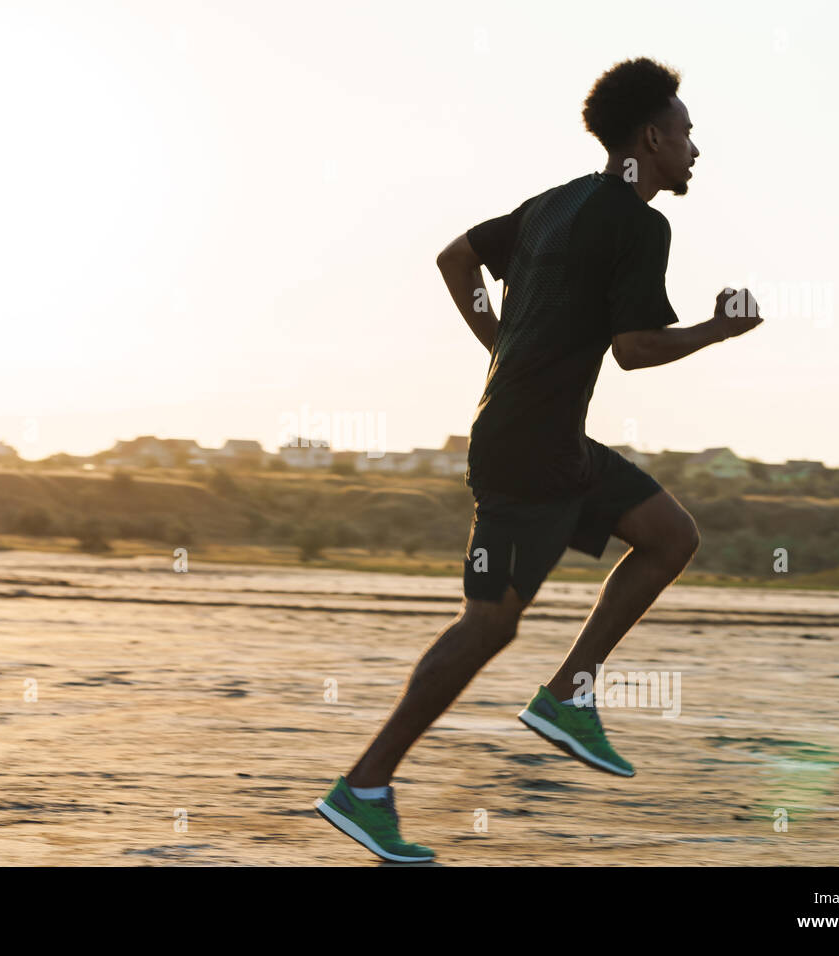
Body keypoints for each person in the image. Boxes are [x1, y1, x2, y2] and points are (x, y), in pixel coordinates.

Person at [314, 57, 763, 862]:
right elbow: (631, 349)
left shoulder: (554, 203)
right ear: (652, 137)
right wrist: (716, 331)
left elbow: (456, 257)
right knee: (490, 622)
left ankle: (565, 695)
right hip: (535, 447)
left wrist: (496, 342)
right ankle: (370, 783)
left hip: (531, 435)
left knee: (668, 535)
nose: (696, 150)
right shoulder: (637, 221)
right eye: (688, 134)